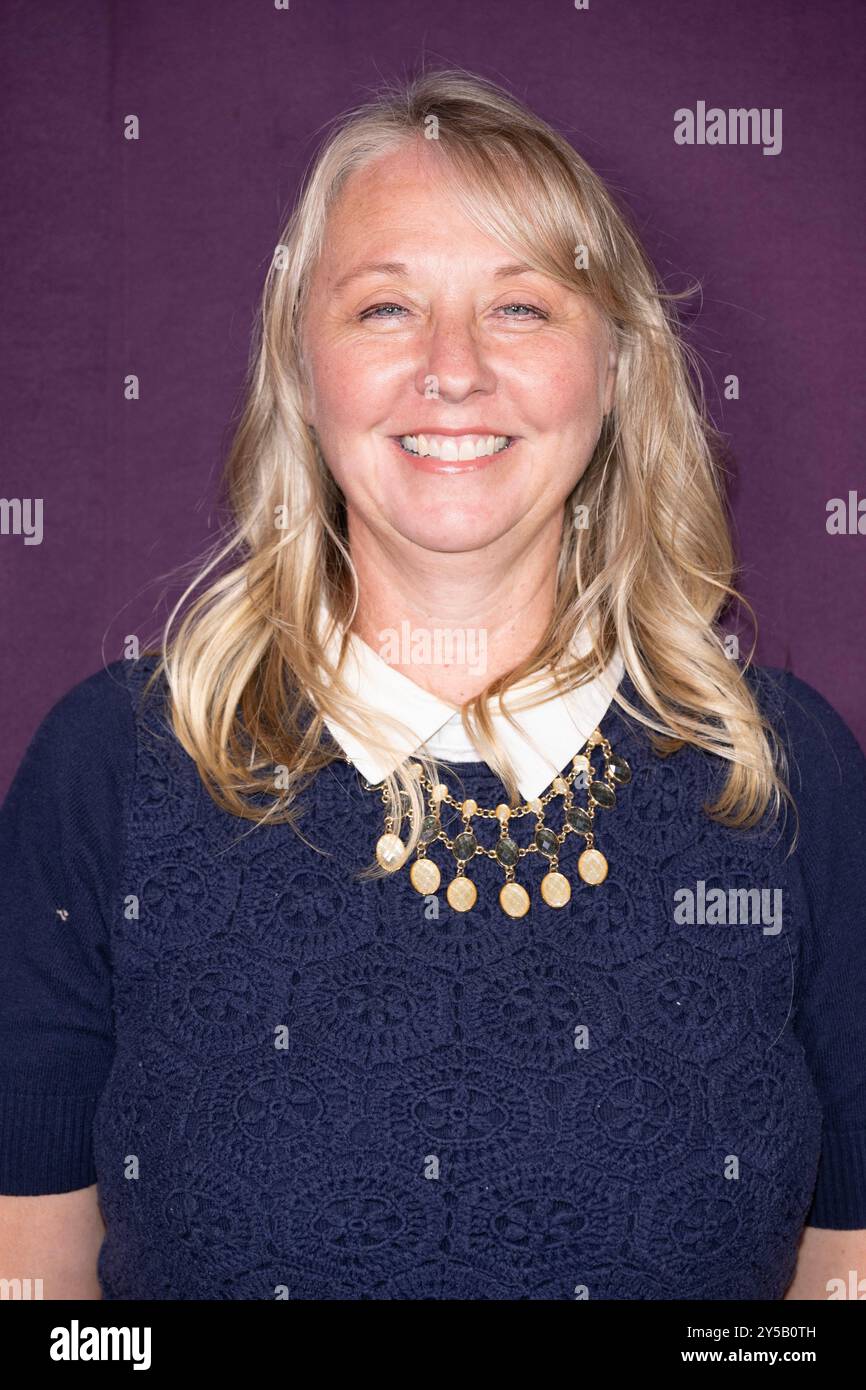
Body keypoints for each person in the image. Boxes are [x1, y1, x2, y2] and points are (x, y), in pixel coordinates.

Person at [1, 69, 864, 1301]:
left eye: (519, 308)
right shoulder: (111, 770)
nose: (450, 369)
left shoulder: (784, 780)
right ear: (303, 373)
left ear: (613, 369)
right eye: (384, 309)